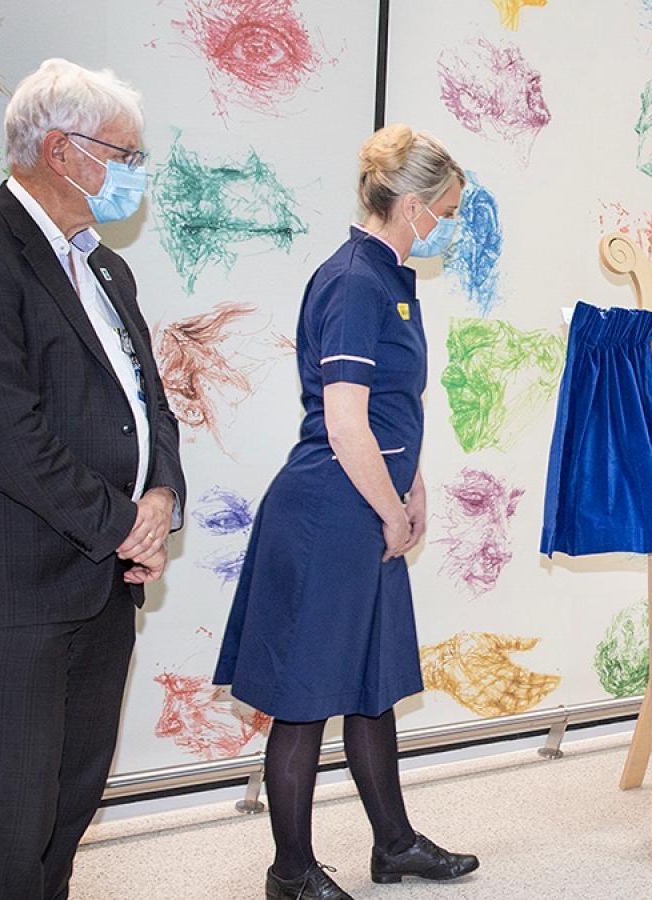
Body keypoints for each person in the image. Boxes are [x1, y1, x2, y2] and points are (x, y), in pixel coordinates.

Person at [0, 59, 185, 899]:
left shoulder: (106, 268)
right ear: (63, 151)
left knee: (69, 801)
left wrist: (162, 497)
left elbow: (151, 405)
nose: (136, 171)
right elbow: (7, 438)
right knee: (8, 818)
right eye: (126, 153)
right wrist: (123, 524)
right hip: (18, 581)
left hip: (104, 580)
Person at [213, 124, 478, 899]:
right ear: (413, 204)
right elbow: (343, 420)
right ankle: (289, 871)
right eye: (449, 212)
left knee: (371, 683)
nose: (451, 228)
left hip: (368, 503)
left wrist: (415, 483)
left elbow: (393, 408)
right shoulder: (355, 280)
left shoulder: (393, 277)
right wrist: (389, 511)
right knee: (305, 701)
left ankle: (392, 846)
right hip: (330, 511)